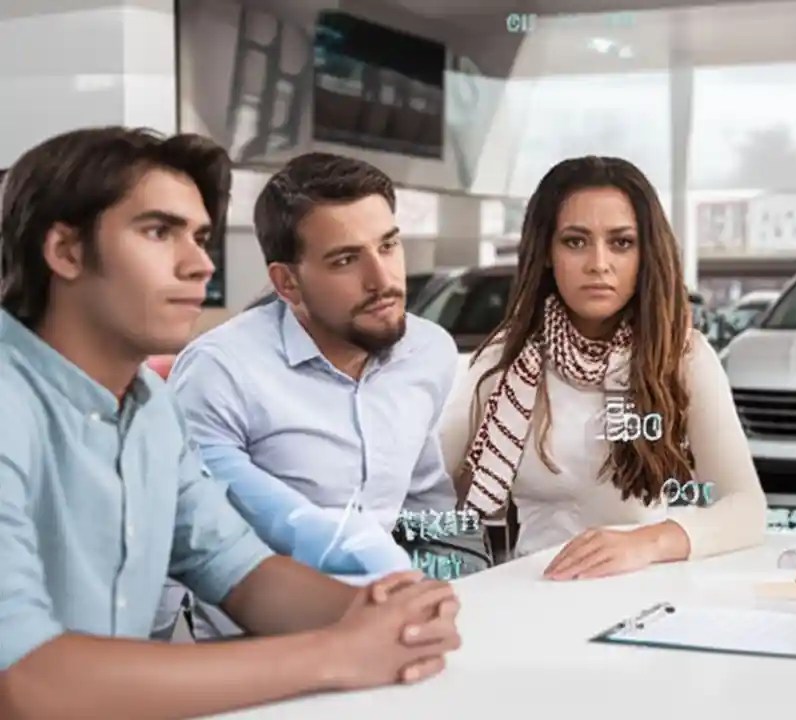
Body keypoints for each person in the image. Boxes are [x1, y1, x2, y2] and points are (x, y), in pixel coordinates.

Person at [0, 127, 460, 718]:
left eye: (199, 238)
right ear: (66, 251)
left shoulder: (148, 405)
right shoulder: (14, 402)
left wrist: (386, 613)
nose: (200, 265)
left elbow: (239, 569)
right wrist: (336, 652)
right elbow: (22, 678)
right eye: (159, 232)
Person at [156, 152, 462, 638]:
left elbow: (425, 501)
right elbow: (194, 529)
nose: (382, 280)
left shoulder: (428, 351)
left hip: (393, 630)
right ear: (287, 283)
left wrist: (454, 592)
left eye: (388, 246)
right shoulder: (220, 370)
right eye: (345, 260)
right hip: (253, 647)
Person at [440, 155, 767, 577]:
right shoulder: (503, 361)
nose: (598, 263)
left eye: (621, 243)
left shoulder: (683, 357)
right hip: (533, 587)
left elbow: (746, 508)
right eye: (576, 241)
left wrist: (646, 543)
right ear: (546, 252)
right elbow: (425, 483)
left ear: (646, 254)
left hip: (645, 588)